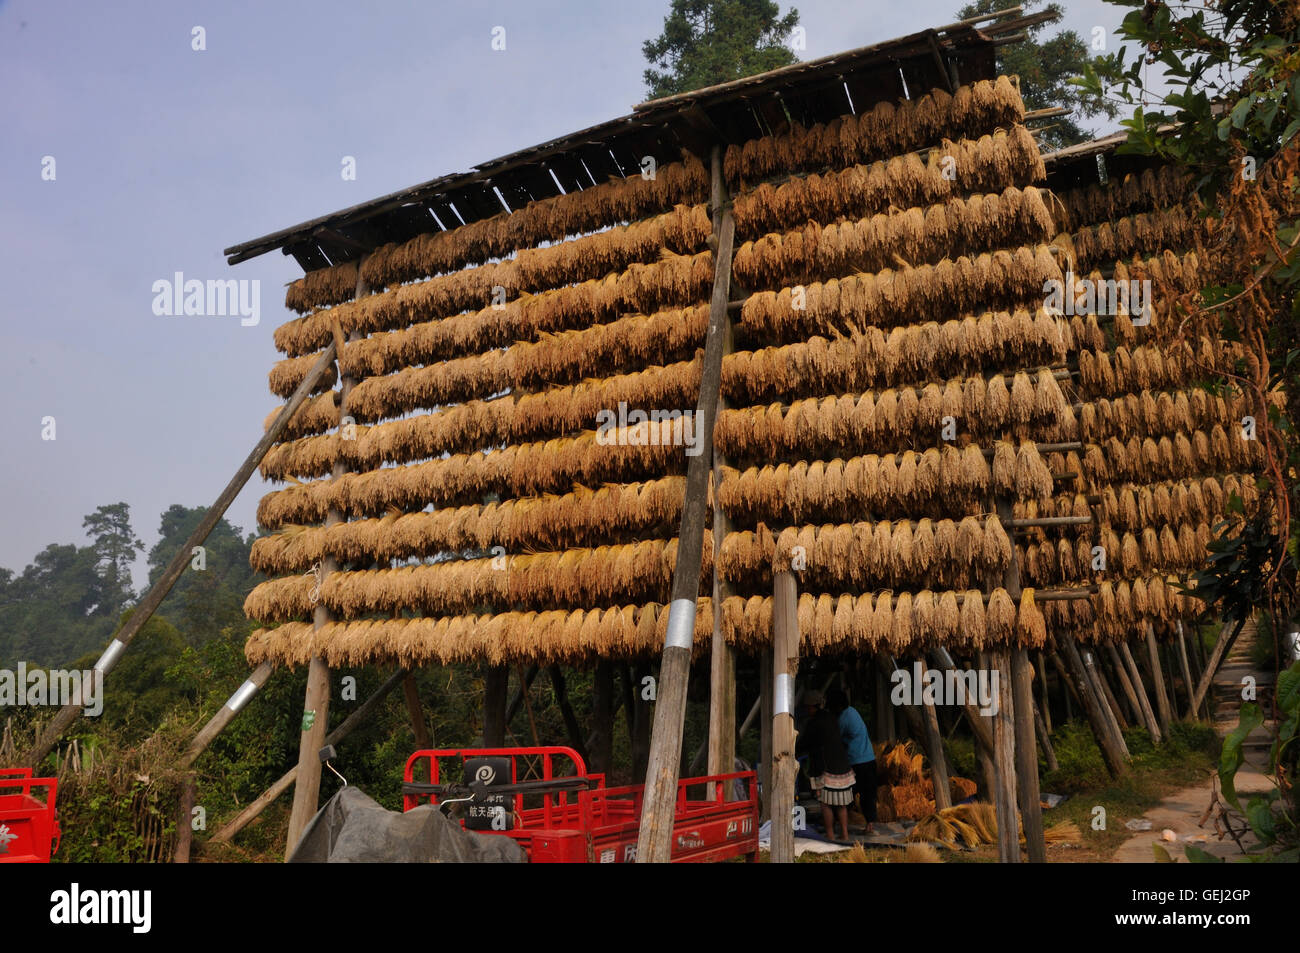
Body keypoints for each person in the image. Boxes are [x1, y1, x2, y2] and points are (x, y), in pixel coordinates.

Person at [794, 689, 855, 842]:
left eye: (808, 707)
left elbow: (805, 743)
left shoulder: (815, 723)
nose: (807, 710)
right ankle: (845, 834)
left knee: (826, 803)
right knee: (841, 804)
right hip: (843, 767)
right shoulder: (831, 717)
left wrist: (792, 751)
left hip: (827, 769)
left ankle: (830, 834)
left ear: (812, 706)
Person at [827, 688, 877, 833]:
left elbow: (835, 739)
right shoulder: (853, 711)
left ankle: (839, 823)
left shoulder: (843, 718)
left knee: (846, 795)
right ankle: (870, 823)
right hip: (869, 758)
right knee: (868, 794)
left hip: (857, 762)